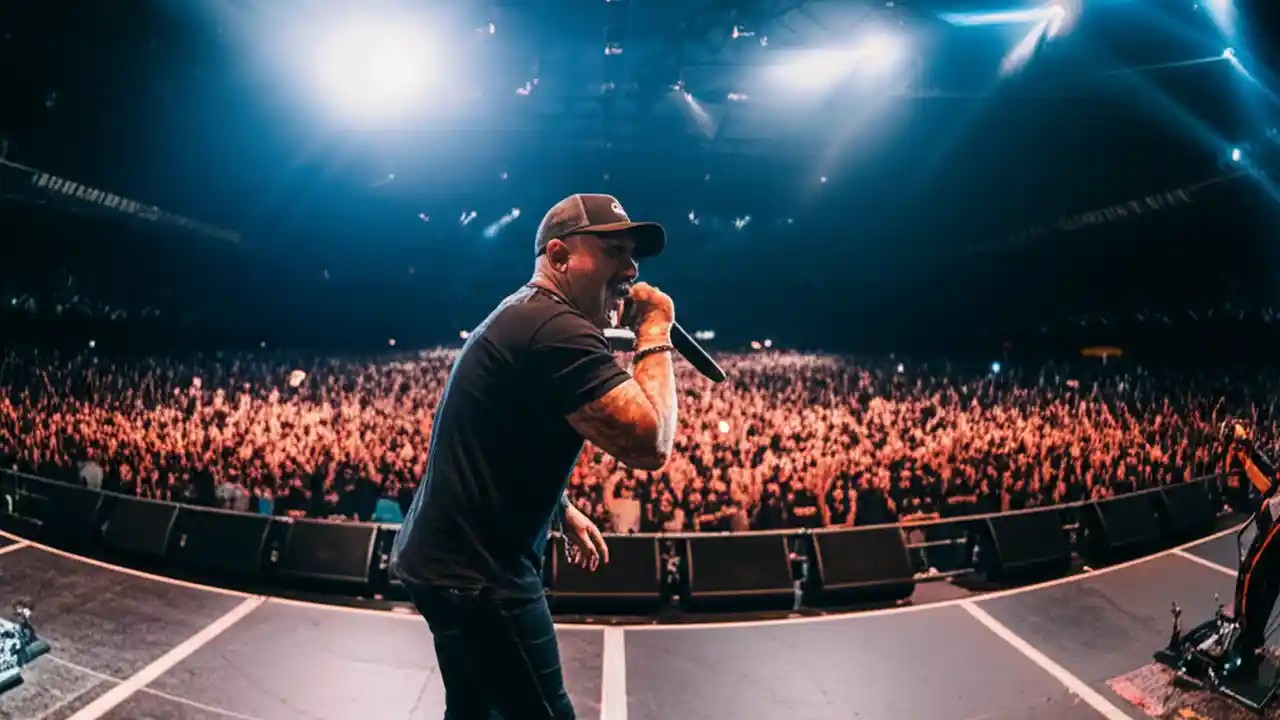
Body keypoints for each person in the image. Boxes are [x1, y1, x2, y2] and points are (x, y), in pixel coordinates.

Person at [390, 193, 678, 719]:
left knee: (475, 709)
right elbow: (651, 443)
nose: (632, 268)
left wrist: (559, 508)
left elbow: (499, 431)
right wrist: (654, 331)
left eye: (633, 254)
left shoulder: (526, 313)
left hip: (442, 564)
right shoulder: (557, 330)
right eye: (614, 252)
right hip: (482, 576)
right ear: (560, 257)